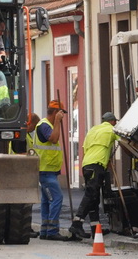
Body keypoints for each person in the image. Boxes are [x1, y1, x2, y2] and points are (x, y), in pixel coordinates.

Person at [70, 112, 118, 241]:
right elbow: (124, 140)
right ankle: (77, 223)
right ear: (112, 121)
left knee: (94, 198)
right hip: (97, 165)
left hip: (86, 164)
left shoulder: (92, 130)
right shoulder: (112, 129)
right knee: (91, 195)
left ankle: (95, 229)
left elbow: (85, 148)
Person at [32, 100, 68, 239]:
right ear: (55, 113)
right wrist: (58, 121)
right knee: (57, 198)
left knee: (47, 200)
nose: (63, 116)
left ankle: (45, 230)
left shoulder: (47, 125)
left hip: (48, 171)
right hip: (45, 171)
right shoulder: (45, 125)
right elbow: (53, 139)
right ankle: (52, 231)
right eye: (61, 113)